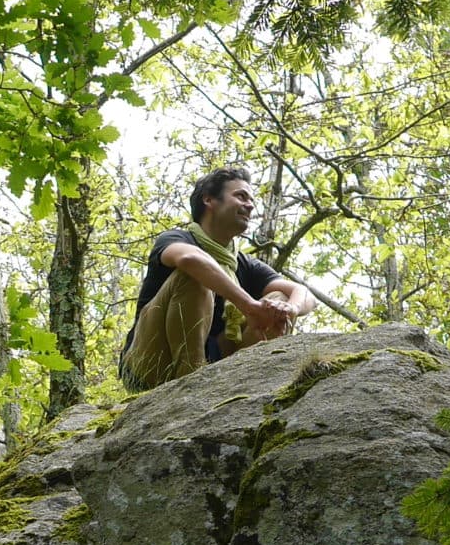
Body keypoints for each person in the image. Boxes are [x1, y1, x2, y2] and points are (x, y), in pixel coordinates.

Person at [118, 166, 316, 392]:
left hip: (218, 362)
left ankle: (248, 387)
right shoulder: (176, 239)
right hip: (151, 363)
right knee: (193, 276)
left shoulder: (242, 263)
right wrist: (249, 306)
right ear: (209, 200)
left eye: (251, 200)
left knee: (279, 299)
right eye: (241, 196)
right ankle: (190, 385)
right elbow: (190, 260)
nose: (250, 205)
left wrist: (289, 309)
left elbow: (304, 293)